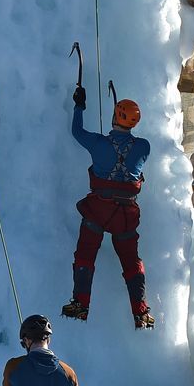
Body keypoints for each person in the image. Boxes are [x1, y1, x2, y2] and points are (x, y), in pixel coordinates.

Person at [62, 87, 153, 329]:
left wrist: (79, 105)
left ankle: (80, 305)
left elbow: (76, 131)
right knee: (131, 261)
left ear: (116, 116)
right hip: (126, 214)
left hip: (99, 209)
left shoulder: (98, 144)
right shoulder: (143, 146)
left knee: (86, 253)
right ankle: (140, 312)